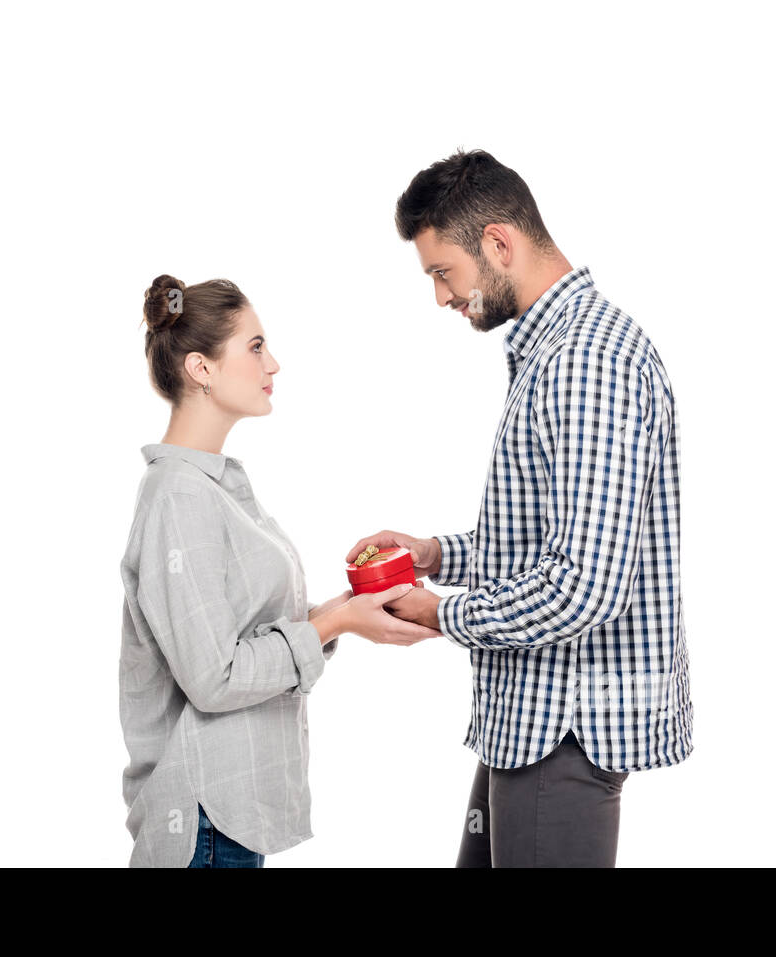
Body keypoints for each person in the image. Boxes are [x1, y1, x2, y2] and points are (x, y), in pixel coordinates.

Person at [348, 149, 694, 867]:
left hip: (564, 726)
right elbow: (545, 540)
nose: (441, 297)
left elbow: (584, 586)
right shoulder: (553, 353)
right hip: (533, 719)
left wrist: (443, 614)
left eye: (443, 272)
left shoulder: (587, 362)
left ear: (498, 243)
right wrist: (435, 554)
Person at [120, 274, 441, 868]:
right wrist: (336, 623)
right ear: (201, 368)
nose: (274, 362)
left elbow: (240, 639)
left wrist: (346, 612)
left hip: (230, 817)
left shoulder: (215, 487)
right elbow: (214, 678)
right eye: (256, 346)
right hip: (203, 823)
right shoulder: (180, 497)